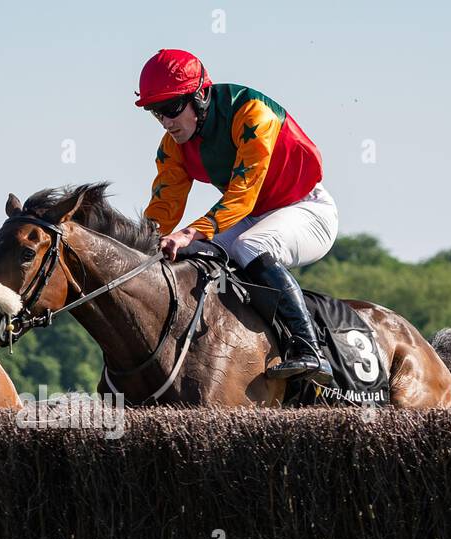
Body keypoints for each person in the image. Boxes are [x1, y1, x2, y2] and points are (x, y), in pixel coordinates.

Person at [137, 49, 337, 384]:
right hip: (252, 216)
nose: (166, 121)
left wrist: (189, 231)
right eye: (156, 112)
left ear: (200, 95)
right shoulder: (173, 145)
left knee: (249, 245)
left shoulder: (252, 113)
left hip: (306, 209)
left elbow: (244, 194)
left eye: (172, 108)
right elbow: (164, 206)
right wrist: (141, 243)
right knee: (181, 254)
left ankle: (309, 349)